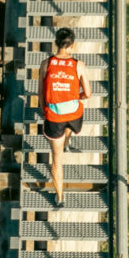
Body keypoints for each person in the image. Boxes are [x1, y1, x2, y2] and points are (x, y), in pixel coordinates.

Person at [36, 27, 89, 203]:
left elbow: (41, 94)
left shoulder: (46, 64)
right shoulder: (78, 65)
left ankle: (60, 197)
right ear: (72, 45)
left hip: (54, 117)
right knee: (71, 121)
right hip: (74, 114)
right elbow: (88, 93)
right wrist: (77, 97)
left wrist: (44, 110)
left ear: (56, 43)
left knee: (57, 160)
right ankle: (67, 139)